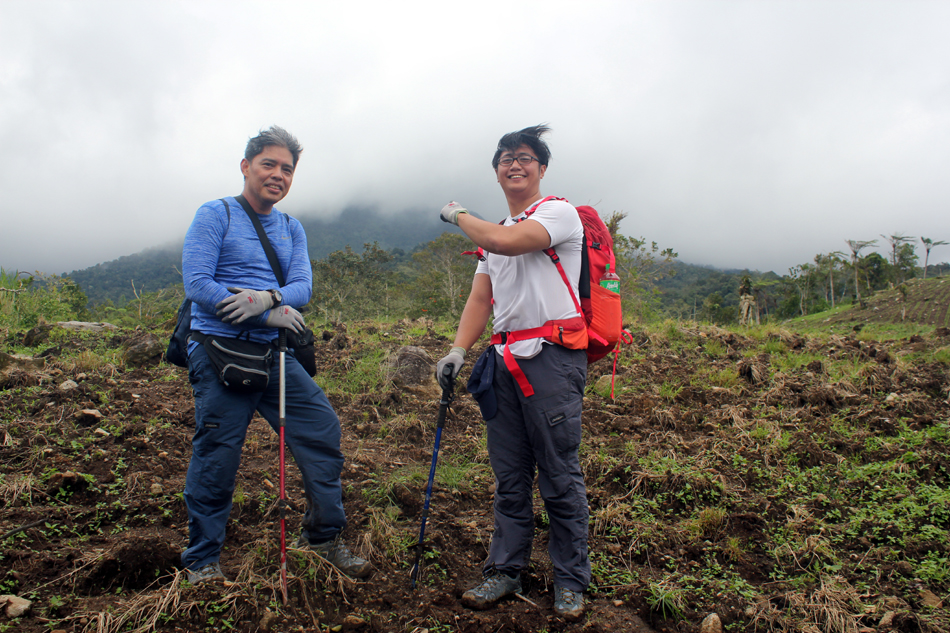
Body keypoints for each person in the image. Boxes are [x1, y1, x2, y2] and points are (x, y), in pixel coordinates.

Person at [180, 126, 370, 584]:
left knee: (321, 427)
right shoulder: (216, 214)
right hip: (218, 351)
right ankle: (203, 559)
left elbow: (302, 287)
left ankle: (323, 535)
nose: (278, 175)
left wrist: (267, 298)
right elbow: (199, 285)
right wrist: (266, 316)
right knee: (219, 453)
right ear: (246, 166)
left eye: (287, 168)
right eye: (269, 164)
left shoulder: (290, 227)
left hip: (272, 356)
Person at [436, 125, 589, 621]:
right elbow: (482, 297)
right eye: (505, 158)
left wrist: (457, 214)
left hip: (550, 358)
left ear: (541, 169)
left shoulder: (556, 214)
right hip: (503, 363)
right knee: (510, 476)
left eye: (525, 157)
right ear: (497, 170)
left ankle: (570, 579)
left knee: (559, 473)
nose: (514, 164)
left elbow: (505, 243)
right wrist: (459, 350)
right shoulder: (495, 232)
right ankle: (505, 568)